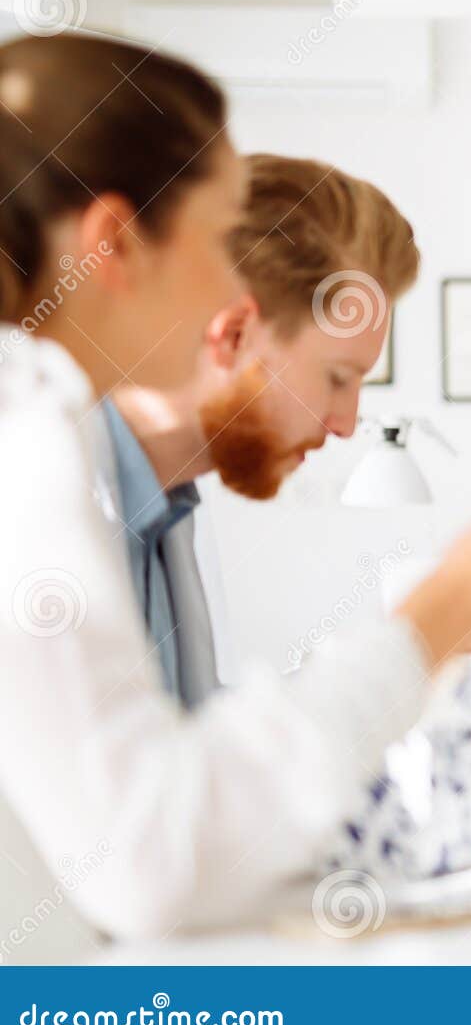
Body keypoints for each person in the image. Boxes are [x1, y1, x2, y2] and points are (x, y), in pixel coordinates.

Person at [0, 32, 471, 958]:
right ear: (113, 245)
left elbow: (177, 812)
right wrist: (437, 615)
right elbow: (146, 859)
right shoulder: (29, 447)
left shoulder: (110, 481)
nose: (224, 291)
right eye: (211, 241)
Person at [88, 153, 418, 710]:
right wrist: (429, 631)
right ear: (236, 334)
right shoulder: (51, 502)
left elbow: (185, 759)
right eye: (338, 378)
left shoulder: (169, 510)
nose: (343, 425)